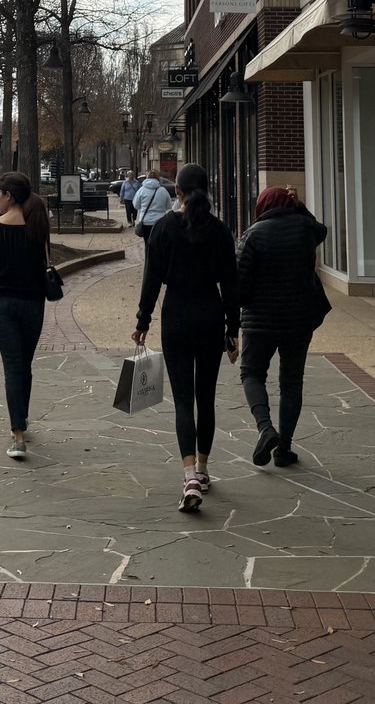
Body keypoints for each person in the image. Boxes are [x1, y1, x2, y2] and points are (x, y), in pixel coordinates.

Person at [133, 163, 238, 513]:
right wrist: (233, 328)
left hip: (176, 316)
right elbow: (231, 284)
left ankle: (189, 473)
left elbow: (152, 279)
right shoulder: (221, 231)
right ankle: (205, 470)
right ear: (206, 190)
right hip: (210, 316)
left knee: (182, 400)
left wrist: (143, 319)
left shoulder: (163, 229)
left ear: (176, 191)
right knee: (205, 397)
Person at [236, 186, 332, 467]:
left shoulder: (252, 235)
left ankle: (266, 428)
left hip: (259, 323)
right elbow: (321, 230)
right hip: (297, 321)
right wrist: (298, 205)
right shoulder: (304, 229)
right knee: (291, 382)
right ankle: (284, 448)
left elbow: (239, 288)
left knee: (251, 374)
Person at [0, 171, 52, 460]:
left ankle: (18, 434)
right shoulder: (37, 226)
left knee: (13, 365)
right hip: (33, 302)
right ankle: (21, 417)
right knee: (25, 362)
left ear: (9, 195)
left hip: (3, 302)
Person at [132, 169, 173, 249]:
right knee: (159, 245)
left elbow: (136, 205)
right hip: (160, 221)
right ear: (158, 178)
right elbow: (169, 206)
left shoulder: (141, 190)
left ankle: (148, 260)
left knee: (147, 244)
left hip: (145, 222)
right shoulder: (163, 191)